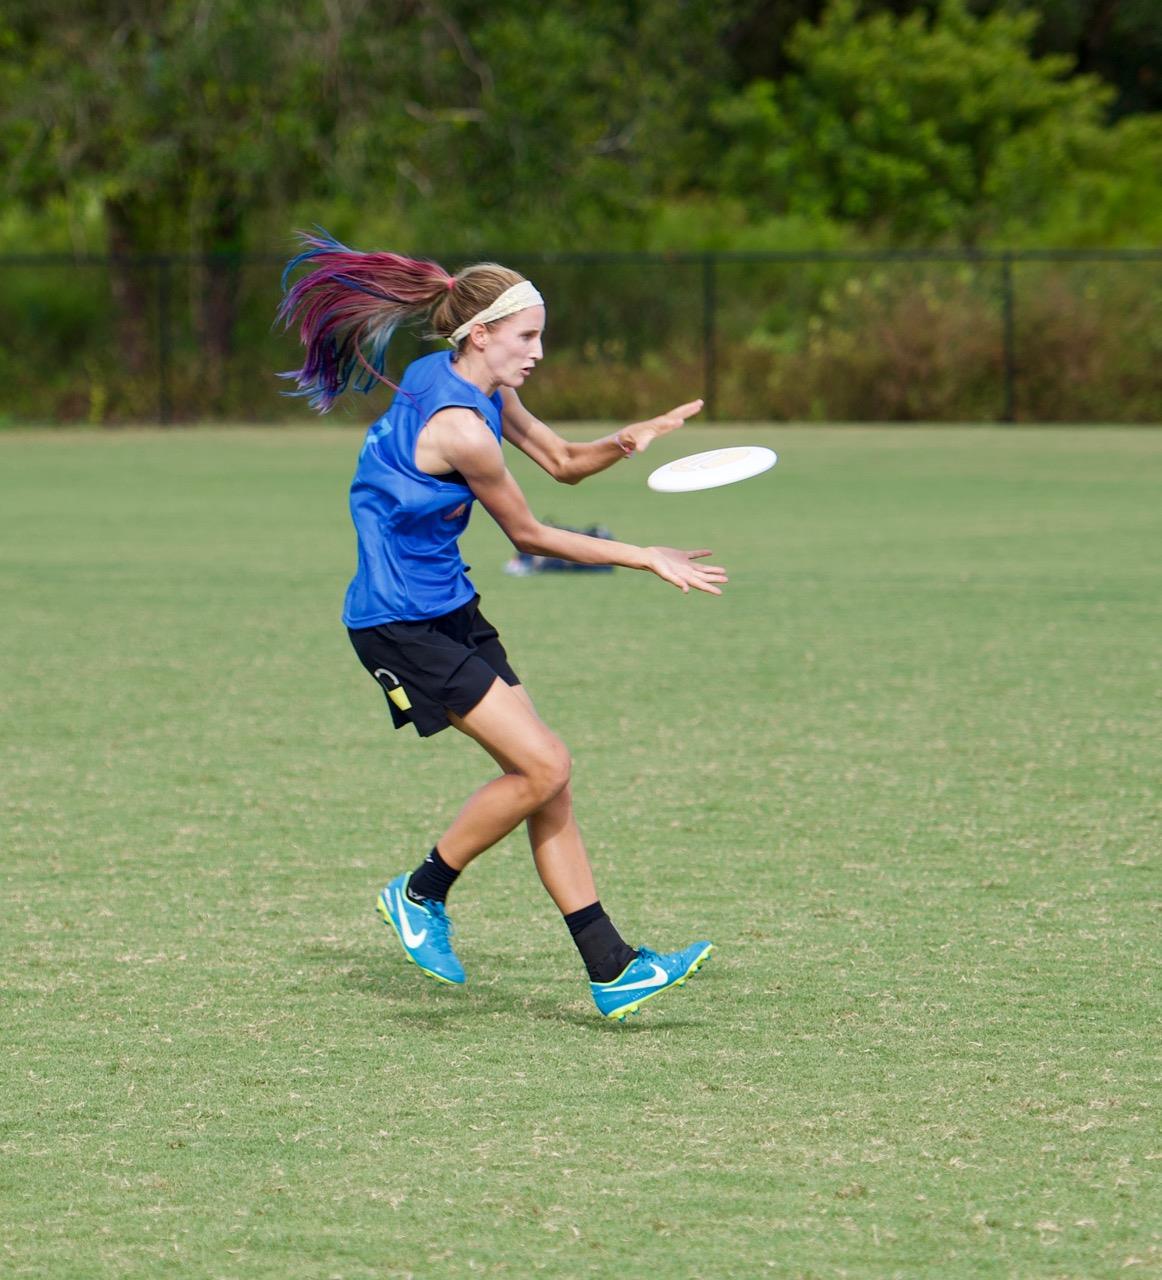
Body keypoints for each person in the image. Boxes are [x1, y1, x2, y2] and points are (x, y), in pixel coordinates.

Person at [278, 231, 726, 1020]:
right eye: (527, 336)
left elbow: (561, 462)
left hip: (447, 606)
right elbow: (530, 535)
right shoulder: (461, 428)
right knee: (546, 765)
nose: (540, 352)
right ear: (479, 334)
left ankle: (612, 966)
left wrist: (628, 440)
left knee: (547, 779)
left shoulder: (470, 383)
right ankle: (420, 892)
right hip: (396, 623)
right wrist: (645, 555)